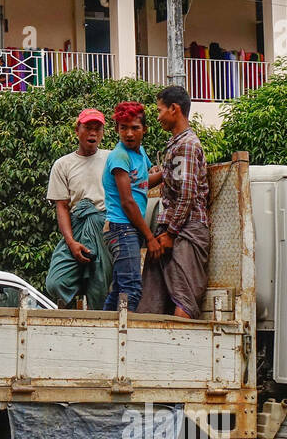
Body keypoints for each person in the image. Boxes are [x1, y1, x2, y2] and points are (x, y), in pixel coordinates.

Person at [137, 86, 210, 319]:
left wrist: (170, 233)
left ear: (174, 109)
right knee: (153, 295)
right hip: (171, 228)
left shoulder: (186, 145)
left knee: (184, 297)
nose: (158, 117)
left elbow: (186, 194)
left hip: (186, 230)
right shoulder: (175, 144)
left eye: (159, 110)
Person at [45, 108, 113, 309]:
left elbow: (132, 186)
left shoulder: (112, 159)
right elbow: (62, 207)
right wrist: (71, 242)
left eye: (97, 129)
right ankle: (79, 285)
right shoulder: (63, 164)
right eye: (88, 128)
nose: (93, 133)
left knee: (100, 288)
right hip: (77, 225)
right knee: (55, 282)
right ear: (77, 130)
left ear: (102, 133)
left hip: (104, 225)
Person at [101, 101, 163, 310]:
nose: (128, 133)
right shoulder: (119, 157)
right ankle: (122, 337)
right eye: (123, 127)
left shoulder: (139, 153)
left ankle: (105, 331)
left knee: (120, 289)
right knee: (132, 289)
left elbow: (144, 183)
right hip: (122, 229)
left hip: (128, 230)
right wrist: (149, 237)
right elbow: (128, 202)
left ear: (144, 130)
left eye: (135, 128)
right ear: (117, 129)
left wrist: (165, 174)